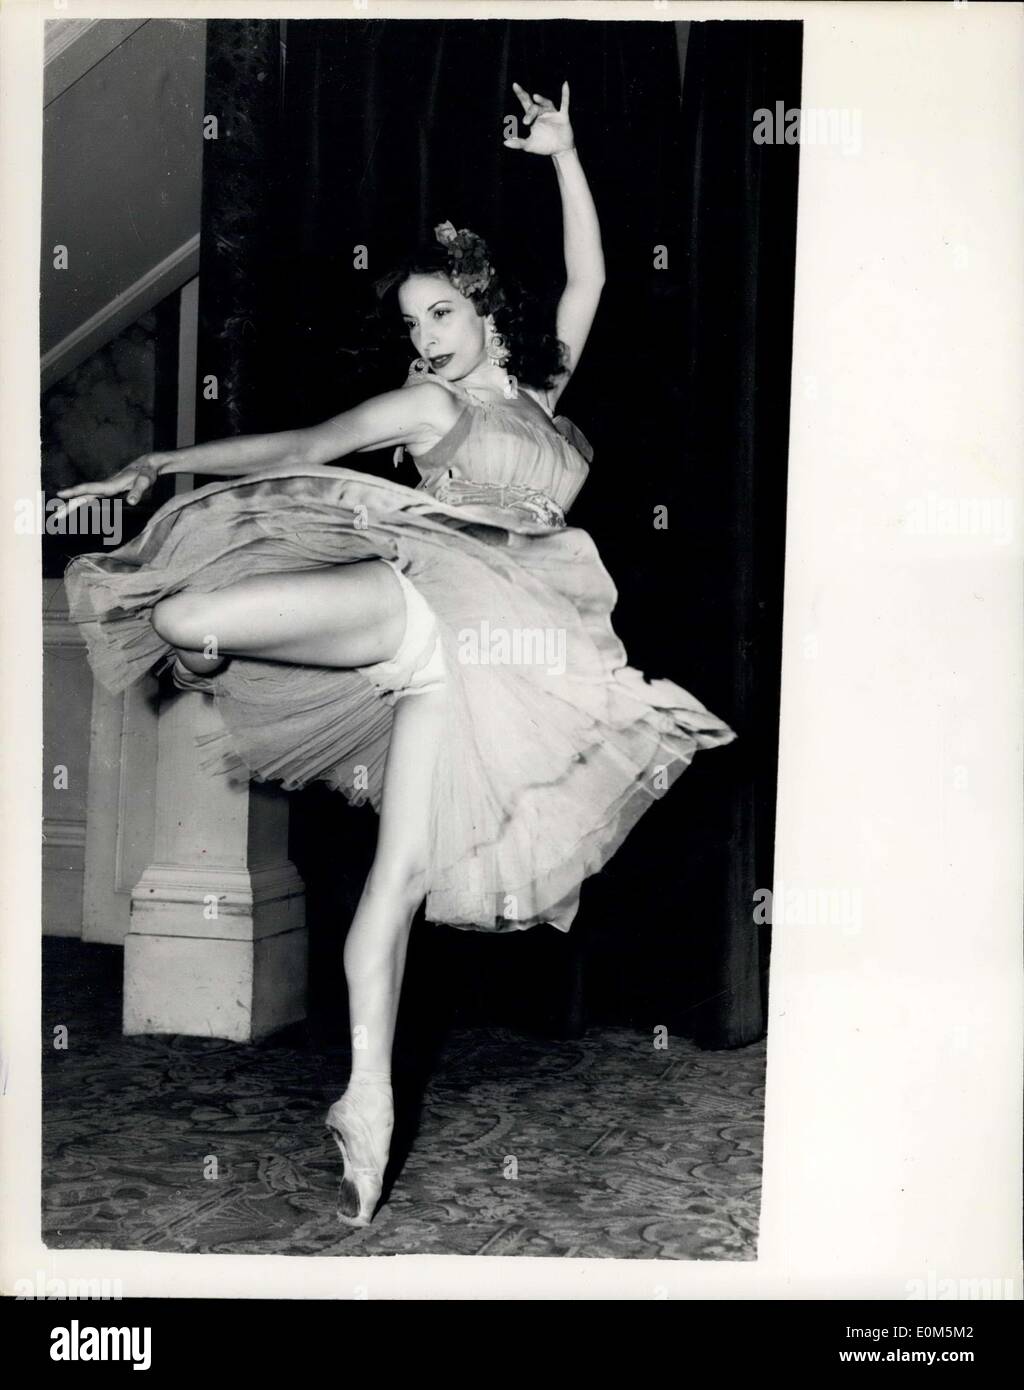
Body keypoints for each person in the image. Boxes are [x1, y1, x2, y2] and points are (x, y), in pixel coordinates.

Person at [58, 81, 736, 1228]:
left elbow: (590, 281)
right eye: (413, 323)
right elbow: (309, 444)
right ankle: (212, 654)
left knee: (402, 879)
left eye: (439, 315)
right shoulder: (429, 410)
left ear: (484, 303)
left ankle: (363, 1099)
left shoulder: (543, 394)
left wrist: (564, 153)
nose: (422, 339)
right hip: (427, 600)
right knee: (179, 619)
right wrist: (163, 462)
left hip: (477, 669)